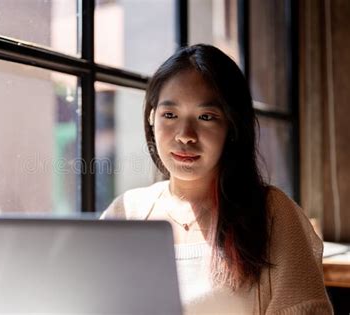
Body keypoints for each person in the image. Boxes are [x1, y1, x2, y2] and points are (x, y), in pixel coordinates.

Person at [100, 44, 332, 314]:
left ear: (232, 127)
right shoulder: (127, 211)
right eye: (170, 115)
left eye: (206, 117)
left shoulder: (273, 214)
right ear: (152, 118)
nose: (185, 134)